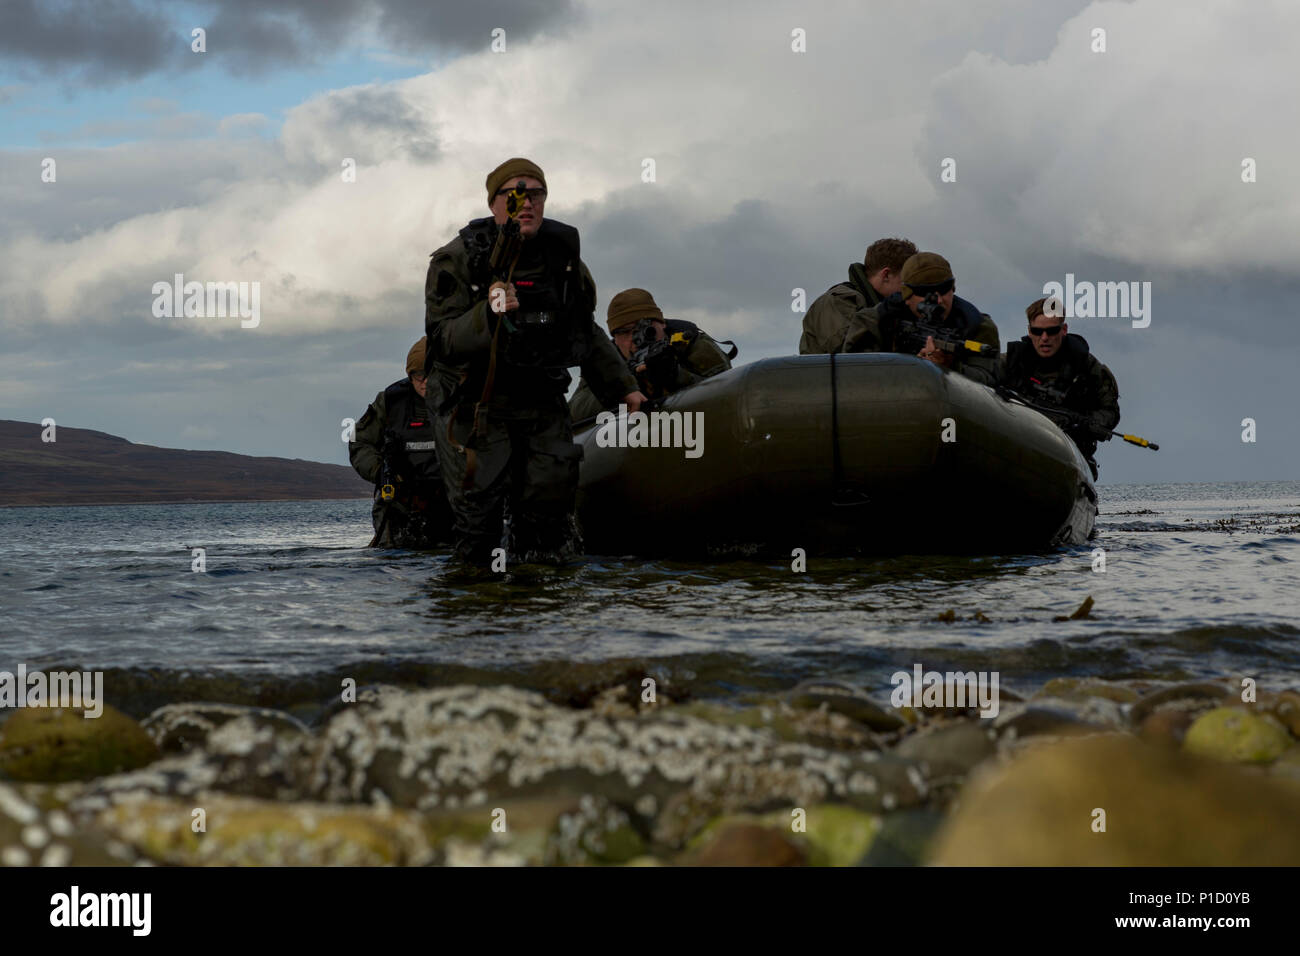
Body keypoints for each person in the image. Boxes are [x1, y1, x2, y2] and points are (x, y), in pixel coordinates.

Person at [423, 157, 646, 565]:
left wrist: (625, 389)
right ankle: (476, 614)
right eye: (514, 195)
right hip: (476, 405)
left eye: (536, 194)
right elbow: (442, 341)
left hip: (541, 396)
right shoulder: (457, 260)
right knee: (479, 531)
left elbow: (586, 331)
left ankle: (543, 613)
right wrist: (487, 315)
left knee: (548, 527)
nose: (526, 203)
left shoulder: (564, 261)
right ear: (495, 203)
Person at [569, 288, 736, 421]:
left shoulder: (691, 344)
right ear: (614, 339)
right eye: (625, 332)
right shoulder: (607, 362)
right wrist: (625, 384)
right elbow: (575, 413)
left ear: (662, 324)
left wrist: (676, 376)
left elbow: (729, 394)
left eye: (645, 329)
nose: (635, 339)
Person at [348, 337, 452, 548]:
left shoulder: (467, 398)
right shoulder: (391, 401)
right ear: (410, 375)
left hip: (455, 503)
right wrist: (380, 471)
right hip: (400, 504)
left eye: (431, 375)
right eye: (418, 376)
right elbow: (359, 442)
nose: (425, 382)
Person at [1002, 296, 1121, 479]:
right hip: (1020, 448)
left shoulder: (1088, 368)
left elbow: (1110, 412)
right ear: (1029, 331)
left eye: (1051, 331)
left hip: (1071, 454)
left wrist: (1083, 423)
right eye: (1037, 331)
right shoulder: (1010, 362)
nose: (1044, 338)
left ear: (1063, 330)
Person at [841, 251, 1001, 386]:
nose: (938, 300)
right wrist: (910, 367)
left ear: (953, 288)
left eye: (944, 289)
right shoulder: (875, 320)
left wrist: (949, 367)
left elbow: (990, 383)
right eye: (926, 292)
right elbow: (853, 376)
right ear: (906, 295)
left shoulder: (976, 325)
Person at [800, 237, 916, 354]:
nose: (910, 291)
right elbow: (850, 357)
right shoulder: (838, 301)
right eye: (905, 282)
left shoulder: (886, 309)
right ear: (886, 275)